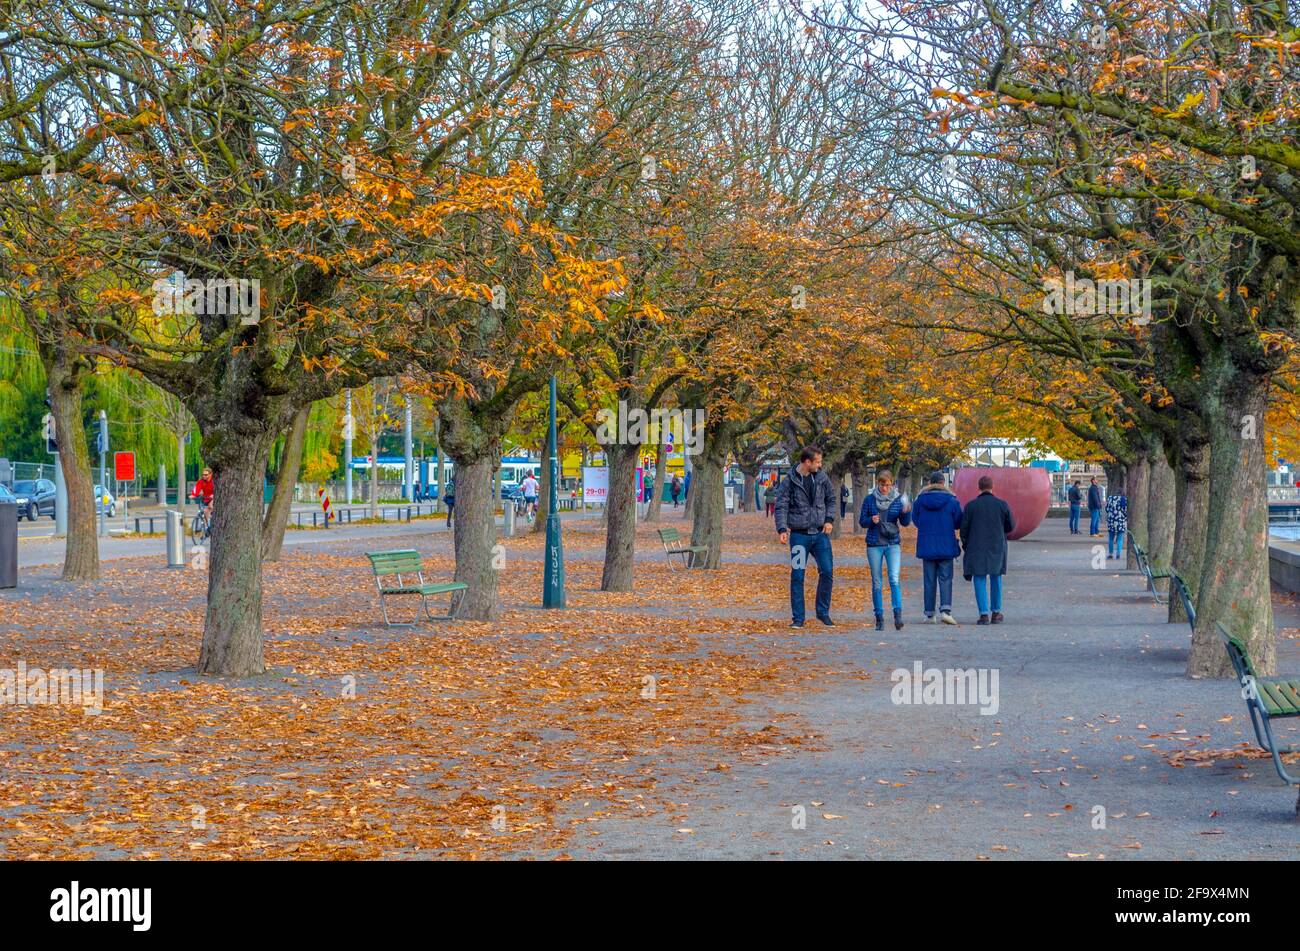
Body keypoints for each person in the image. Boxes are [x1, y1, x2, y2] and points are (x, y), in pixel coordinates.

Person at [774, 446, 837, 629]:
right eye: (817, 461)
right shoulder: (790, 481)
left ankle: (823, 613)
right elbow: (781, 505)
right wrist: (782, 529)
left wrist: (829, 519)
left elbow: (831, 499)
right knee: (798, 576)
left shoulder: (822, 477)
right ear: (807, 462)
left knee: (827, 571)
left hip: (820, 535)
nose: (820, 464)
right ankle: (798, 618)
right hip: (800, 536)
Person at [859, 469, 912, 631]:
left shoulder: (897, 500)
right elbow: (862, 521)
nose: (884, 488)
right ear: (877, 483)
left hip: (892, 544)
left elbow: (904, 523)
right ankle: (879, 618)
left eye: (887, 485)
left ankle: (898, 616)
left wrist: (906, 512)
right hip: (874, 544)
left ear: (892, 484)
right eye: (882, 485)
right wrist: (871, 520)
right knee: (876, 582)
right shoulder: (869, 499)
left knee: (894, 579)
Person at [959, 474, 1015, 625]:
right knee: (996, 577)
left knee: (979, 578)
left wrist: (966, 544)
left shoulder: (971, 506)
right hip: (996, 546)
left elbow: (963, 530)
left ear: (979, 488)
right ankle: (996, 612)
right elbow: (1011, 526)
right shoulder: (1002, 505)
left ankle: (983, 614)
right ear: (992, 487)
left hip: (976, 547)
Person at [911, 471, 962, 625]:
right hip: (946, 544)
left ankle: (929, 614)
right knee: (946, 579)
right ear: (942, 483)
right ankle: (946, 611)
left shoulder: (920, 501)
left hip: (927, 544)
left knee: (929, 580)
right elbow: (959, 521)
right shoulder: (952, 501)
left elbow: (916, 520)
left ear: (930, 483)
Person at [190, 467, 215, 535]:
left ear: (210, 474)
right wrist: (193, 495)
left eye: (206, 475)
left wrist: (213, 495)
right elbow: (196, 488)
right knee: (204, 512)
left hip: (214, 497)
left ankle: (214, 521)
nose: (204, 476)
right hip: (206, 498)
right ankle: (207, 528)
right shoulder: (201, 481)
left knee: (210, 506)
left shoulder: (214, 480)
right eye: (203, 474)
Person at [1105, 487, 1128, 560]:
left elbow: (1107, 509)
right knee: (1120, 538)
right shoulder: (1123, 499)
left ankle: (1111, 554)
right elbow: (1125, 511)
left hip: (1111, 521)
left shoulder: (1110, 498)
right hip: (1120, 521)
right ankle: (1118, 554)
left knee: (1111, 538)